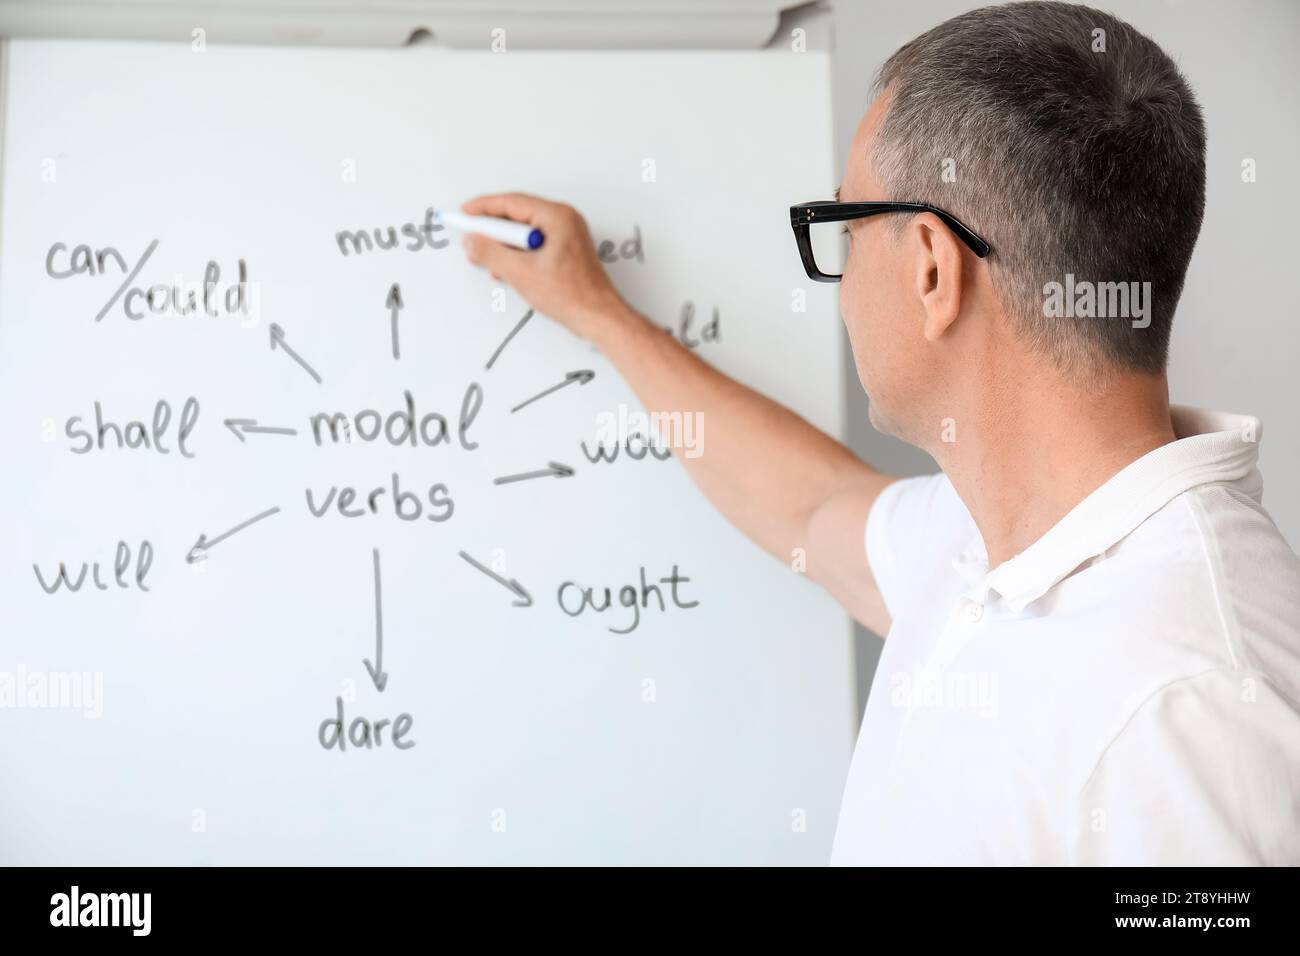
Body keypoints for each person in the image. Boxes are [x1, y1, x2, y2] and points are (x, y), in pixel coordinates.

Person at [459, 1, 1300, 864]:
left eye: (845, 231)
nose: (840, 278)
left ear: (933, 270)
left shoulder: (1186, 707)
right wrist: (599, 314)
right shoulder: (998, 535)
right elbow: (812, 510)